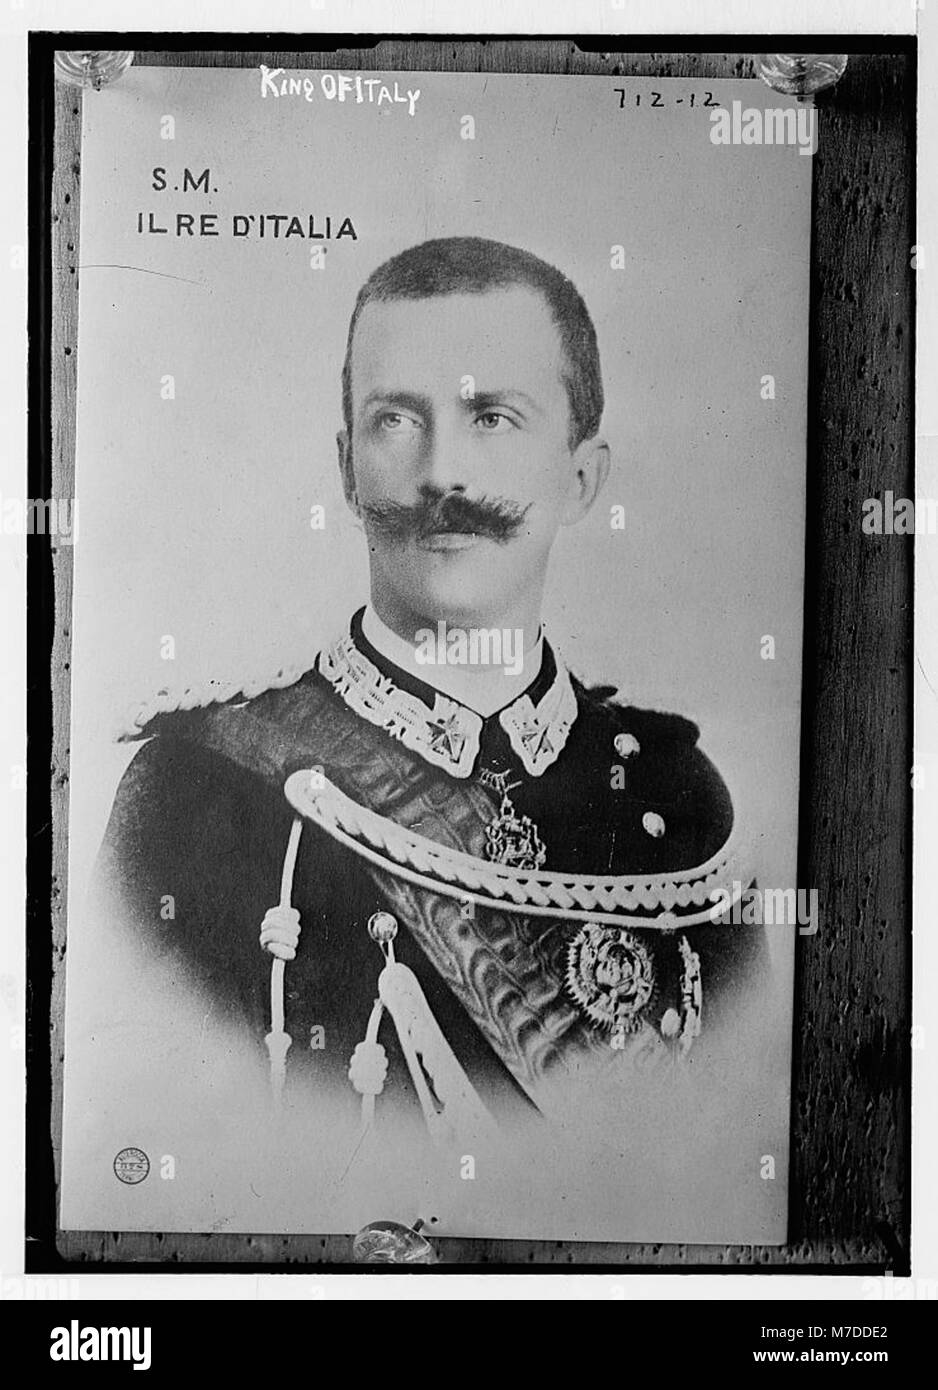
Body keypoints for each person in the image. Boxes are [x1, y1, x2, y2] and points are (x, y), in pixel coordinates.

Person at [91, 236, 763, 1142]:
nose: (443, 472)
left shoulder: (681, 804)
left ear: (581, 477)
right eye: (398, 420)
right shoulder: (193, 793)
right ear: (345, 467)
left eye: (493, 417)